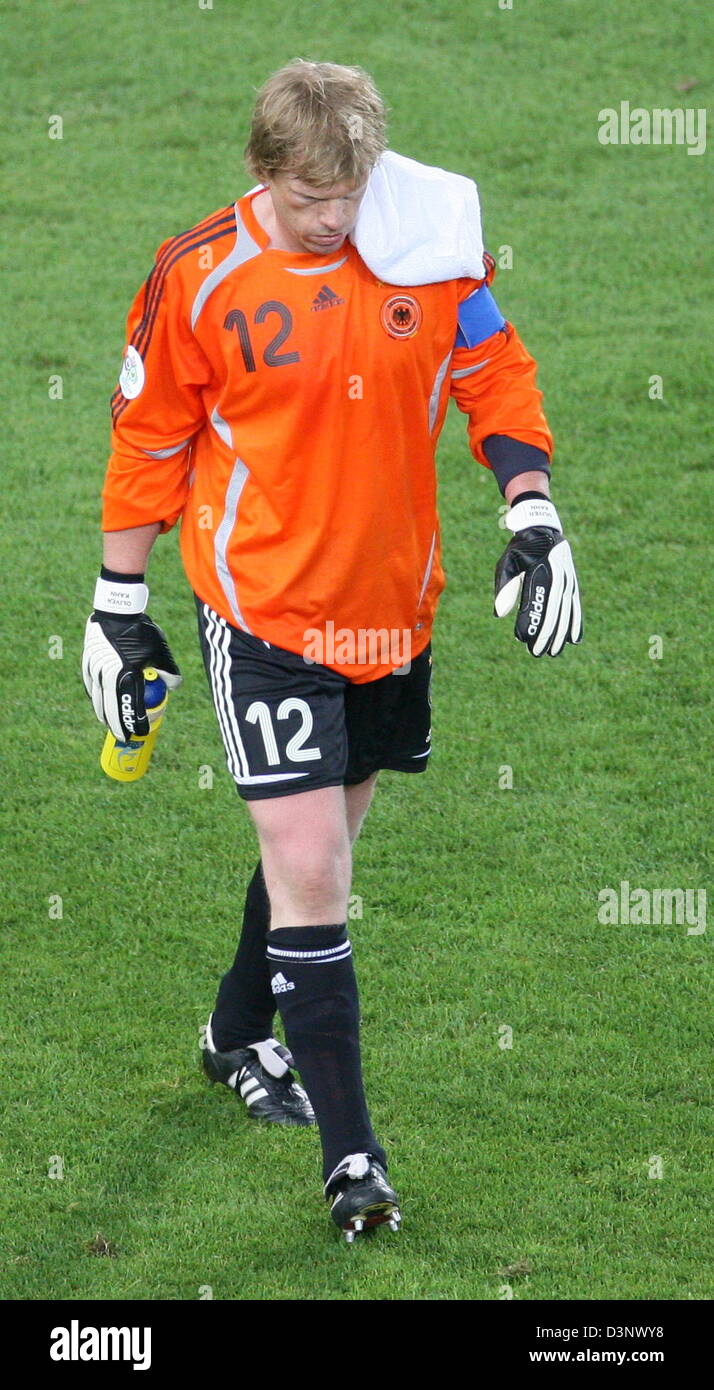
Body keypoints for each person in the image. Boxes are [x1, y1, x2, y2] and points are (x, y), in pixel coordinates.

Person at [82, 59, 581, 1243]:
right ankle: (353, 1159)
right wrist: (116, 602)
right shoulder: (199, 272)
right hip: (261, 615)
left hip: (392, 612)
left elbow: (495, 369)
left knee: (323, 841)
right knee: (311, 862)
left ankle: (232, 1033)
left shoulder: (422, 238)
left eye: (350, 191)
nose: (337, 219)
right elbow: (149, 437)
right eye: (312, 199)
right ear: (263, 172)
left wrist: (531, 509)